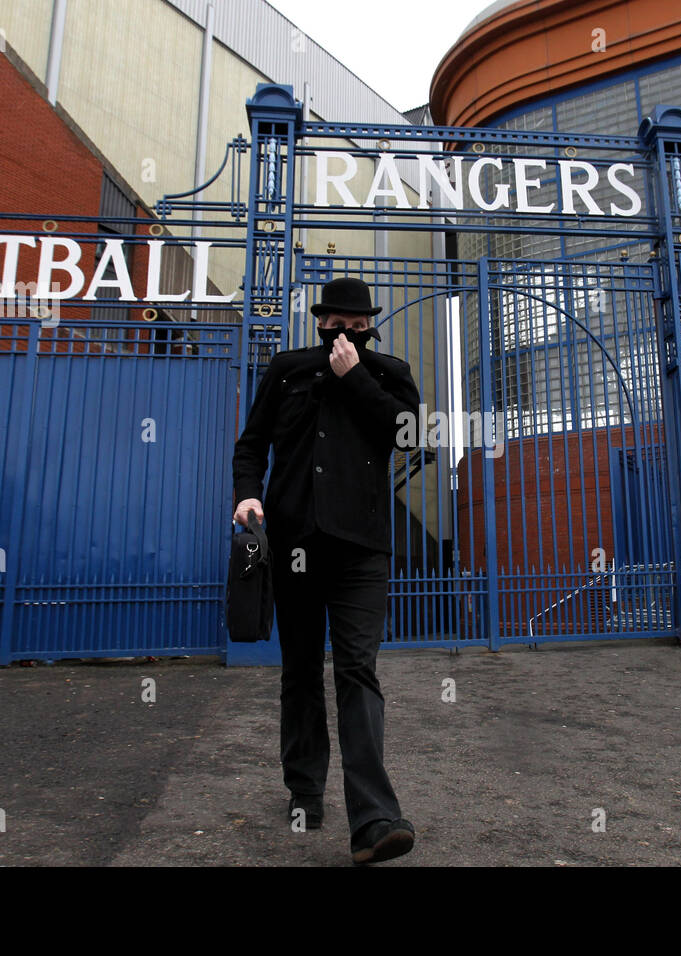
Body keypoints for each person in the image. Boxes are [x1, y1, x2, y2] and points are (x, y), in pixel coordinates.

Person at [231, 276, 421, 865]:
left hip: (361, 547)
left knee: (358, 672)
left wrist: (355, 377)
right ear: (320, 322)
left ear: (369, 325)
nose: (345, 332)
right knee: (301, 671)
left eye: (357, 325)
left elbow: (410, 435)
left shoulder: (388, 373)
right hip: (295, 541)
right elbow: (251, 445)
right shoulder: (286, 369)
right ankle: (304, 793)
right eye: (335, 323)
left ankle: (374, 820)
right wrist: (247, 495)